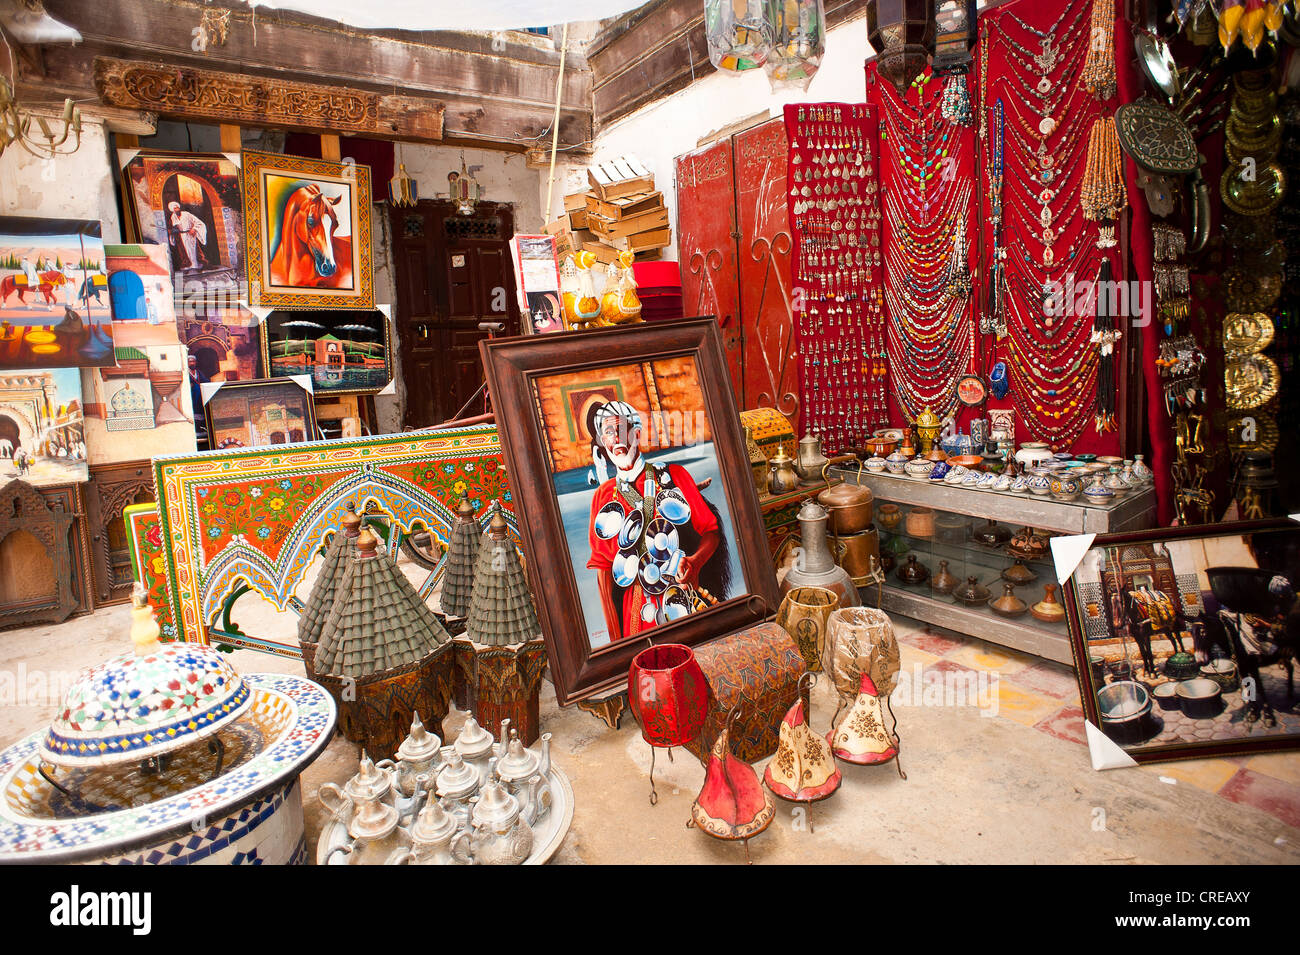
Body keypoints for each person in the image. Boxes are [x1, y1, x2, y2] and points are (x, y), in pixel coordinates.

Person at [584, 400, 728, 641]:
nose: (616, 439)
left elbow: (710, 531)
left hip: (683, 594)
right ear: (602, 442)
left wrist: (696, 562)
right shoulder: (603, 496)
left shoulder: (674, 475)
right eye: (608, 432)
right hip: (637, 613)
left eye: (622, 429)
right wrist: (617, 643)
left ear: (637, 434)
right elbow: (604, 573)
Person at [168, 201, 208, 272]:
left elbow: (199, 222)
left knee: (193, 250)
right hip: (181, 236)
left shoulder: (186, 214)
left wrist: (194, 229)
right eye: (175, 209)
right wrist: (172, 231)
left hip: (190, 235)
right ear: (172, 210)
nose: (177, 209)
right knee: (184, 251)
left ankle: (196, 265)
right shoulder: (173, 217)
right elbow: (172, 227)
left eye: (177, 208)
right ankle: (188, 265)